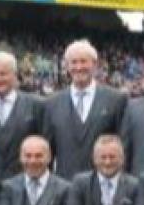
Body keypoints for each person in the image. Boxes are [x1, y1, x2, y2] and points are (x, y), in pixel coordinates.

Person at [43, 39, 127, 180]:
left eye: (83, 61)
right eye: (74, 62)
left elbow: (123, 145)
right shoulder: (51, 103)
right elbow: (48, 150)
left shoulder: (116, 100)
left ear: (94, 65)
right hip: (64, 185)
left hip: (103, 183)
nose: (79, 67)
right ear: (67, 66)